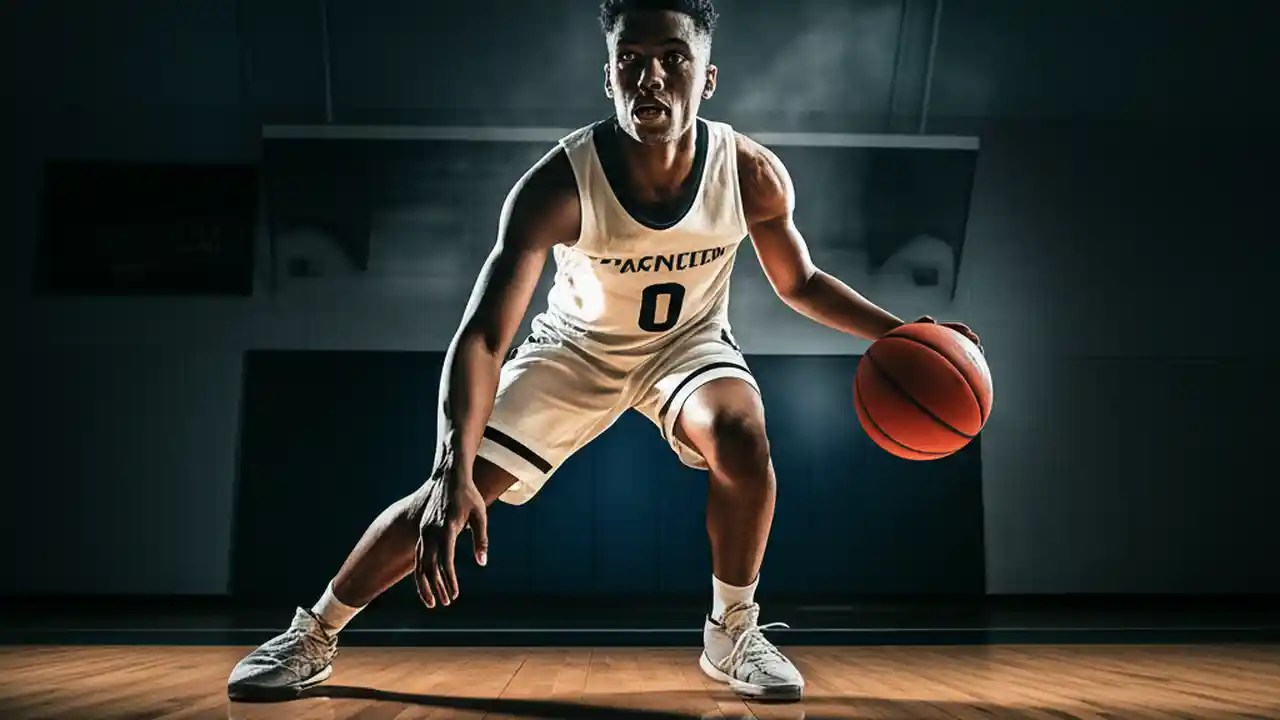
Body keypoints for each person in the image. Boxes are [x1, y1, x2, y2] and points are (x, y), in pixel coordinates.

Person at [227, 0, 981, 704]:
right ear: (610, 72)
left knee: (743, 436)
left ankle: (732, 631)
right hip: (575, 351)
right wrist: (449, 468)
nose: (652, 75)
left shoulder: (750, 173)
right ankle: (312, 632)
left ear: (707, 78)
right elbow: (484, 337)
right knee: (447, 499)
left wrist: (904, 335)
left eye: (674, 57)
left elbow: (801, 282)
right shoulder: (556, 186)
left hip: (688, 346)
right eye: (633, 57)